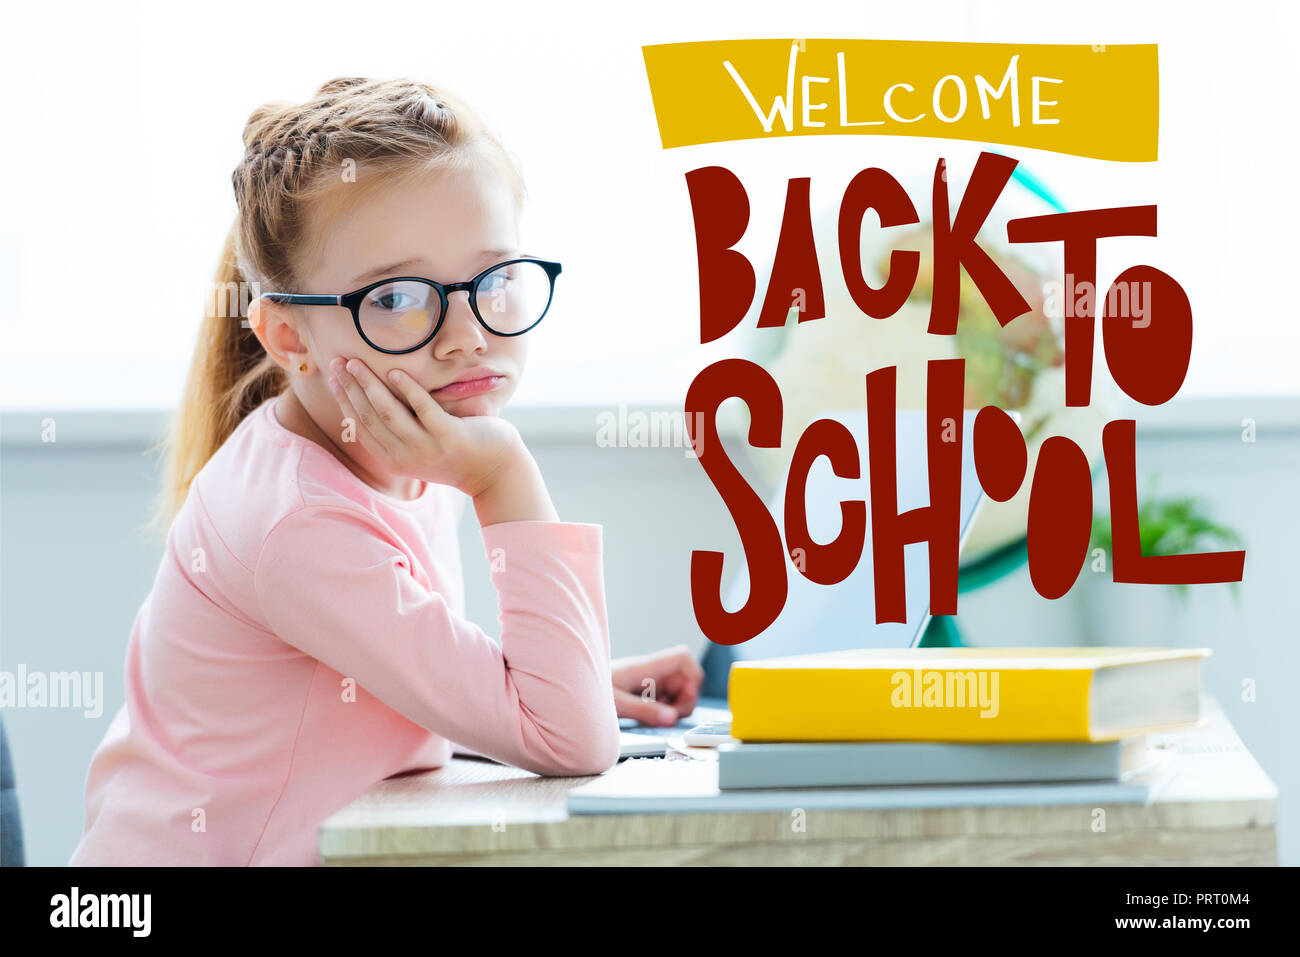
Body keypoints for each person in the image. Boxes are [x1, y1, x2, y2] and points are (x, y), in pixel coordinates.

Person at [70, 77, 702, 866]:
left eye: (496, 279)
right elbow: (569, 742)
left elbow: (380, 686)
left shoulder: (391, 450)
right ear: (287, 335)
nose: (466, 336)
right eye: (400, 296)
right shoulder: (297, 520)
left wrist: (555, 680)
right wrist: (504, 473)